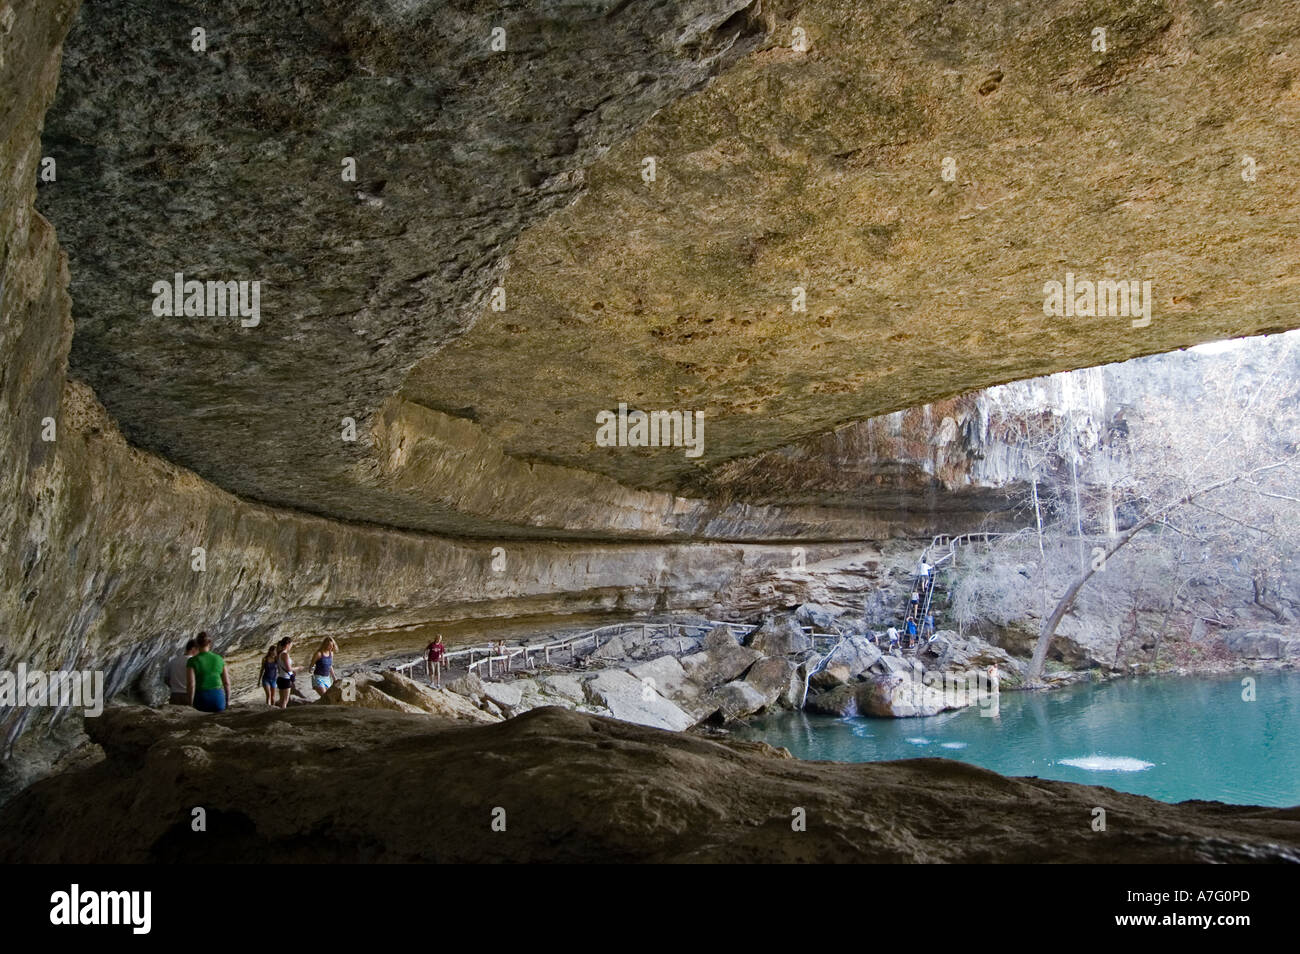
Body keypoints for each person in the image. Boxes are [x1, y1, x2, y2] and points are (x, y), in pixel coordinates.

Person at [186, 632, 230, 713]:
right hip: (218, 699)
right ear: (209, 643)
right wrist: (227, 701)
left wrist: (190, 704)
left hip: (201, 698)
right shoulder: (219, 659)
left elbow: (191, 684)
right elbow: (226, 683)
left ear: (197, 644)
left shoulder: (192, 661)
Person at [164, 638, 199, 705]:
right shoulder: (194, 662)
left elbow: (166, 680)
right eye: (198, 650)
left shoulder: (173, 661)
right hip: (189, 694)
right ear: (193, 649)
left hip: (174, 695)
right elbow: (193, 683)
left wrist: (175, 687)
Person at [275, 637, 296, 709]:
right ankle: (282, 716)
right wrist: (298, 668)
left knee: (281, 700)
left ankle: (279, 714)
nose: (291, 647)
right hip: (285, 679)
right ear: (287, 644)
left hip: (280, 678)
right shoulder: (285, 655)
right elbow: (289, 669)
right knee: (285, 701)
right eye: (291, 645)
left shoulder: (279, 654)